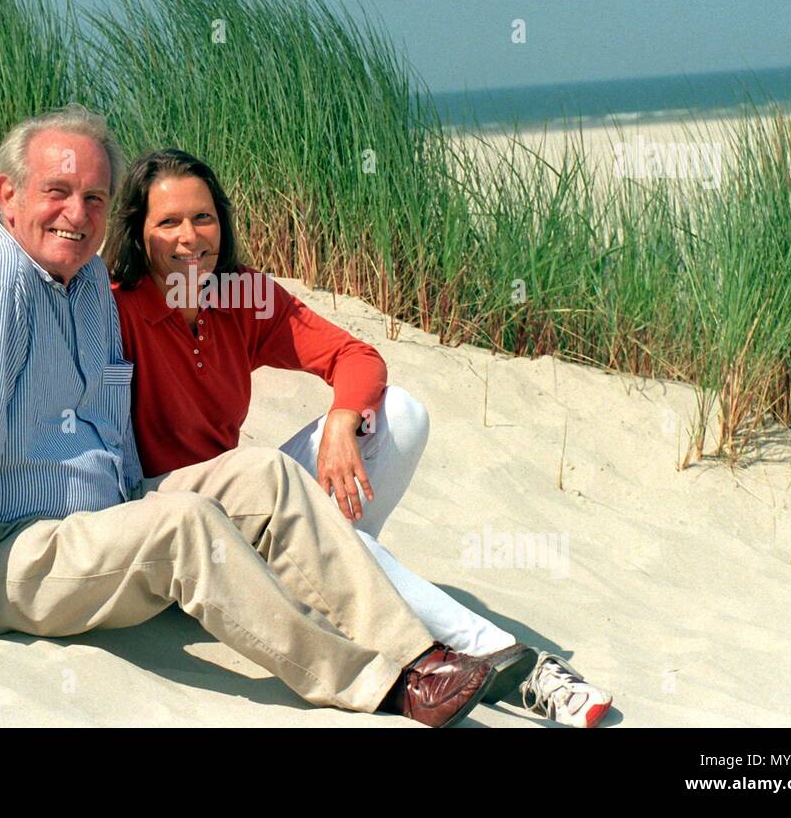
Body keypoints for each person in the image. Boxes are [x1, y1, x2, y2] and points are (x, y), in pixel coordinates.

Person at [0, 107, 499, 727]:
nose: (77, 214)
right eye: (57, 192)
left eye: (94, 197)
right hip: (6, 558)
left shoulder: (86, 281)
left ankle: (419, 655)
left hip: (101, 520)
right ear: (8, 194)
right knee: (186, 522)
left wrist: (136, 505)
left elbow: (109, 422)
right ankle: (378, 684)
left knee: (267, 474)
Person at [105, 148, 613, 728]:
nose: (190, 237)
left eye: (203, 218)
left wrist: (344, 421)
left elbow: (355, 356)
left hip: (246, 495)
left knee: (401, 413)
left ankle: (332, 574)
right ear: (138, 236)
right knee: (305, 510)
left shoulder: (239, 294)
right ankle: (510, 661)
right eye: (167, 222)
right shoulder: (116, 307)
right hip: (173, 519)